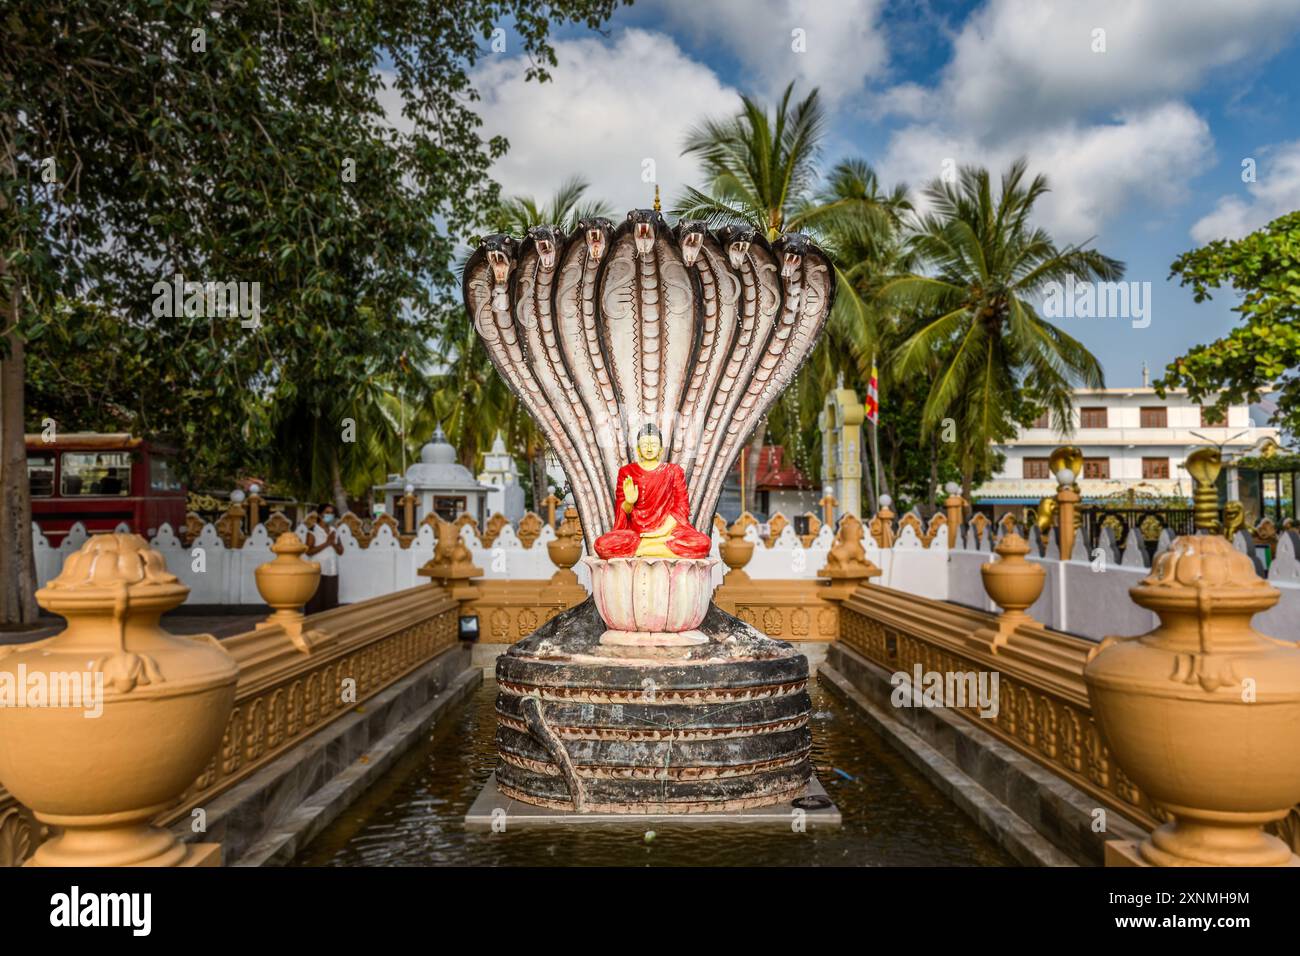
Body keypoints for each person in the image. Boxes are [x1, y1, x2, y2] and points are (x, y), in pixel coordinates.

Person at [594, 424, 711, 559]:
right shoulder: (627, 472)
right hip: (637, 533)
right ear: (638, 450)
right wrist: (629, 502)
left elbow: (681, 508)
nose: (649, 449)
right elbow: (622, 513)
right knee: (601, 544)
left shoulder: (674, 471)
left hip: (668, 531)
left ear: (661, 450)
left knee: (703, 543)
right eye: (645, 445)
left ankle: (643, 549)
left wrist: (662, 532)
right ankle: (658, 548)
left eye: (654, 445)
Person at [305, 503, 344, 613]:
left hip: (332, 570)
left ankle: (329, 625)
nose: (329, 515)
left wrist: (332, 543)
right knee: (315, 601)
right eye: (327, 512)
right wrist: (327, 543)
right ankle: (312, 625)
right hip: (317, 570)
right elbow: (308, 551)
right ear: (319, 514)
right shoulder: (313, 530)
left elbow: (340, 551)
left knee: (330, 601)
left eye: (332, 513)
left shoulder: (334, 530)